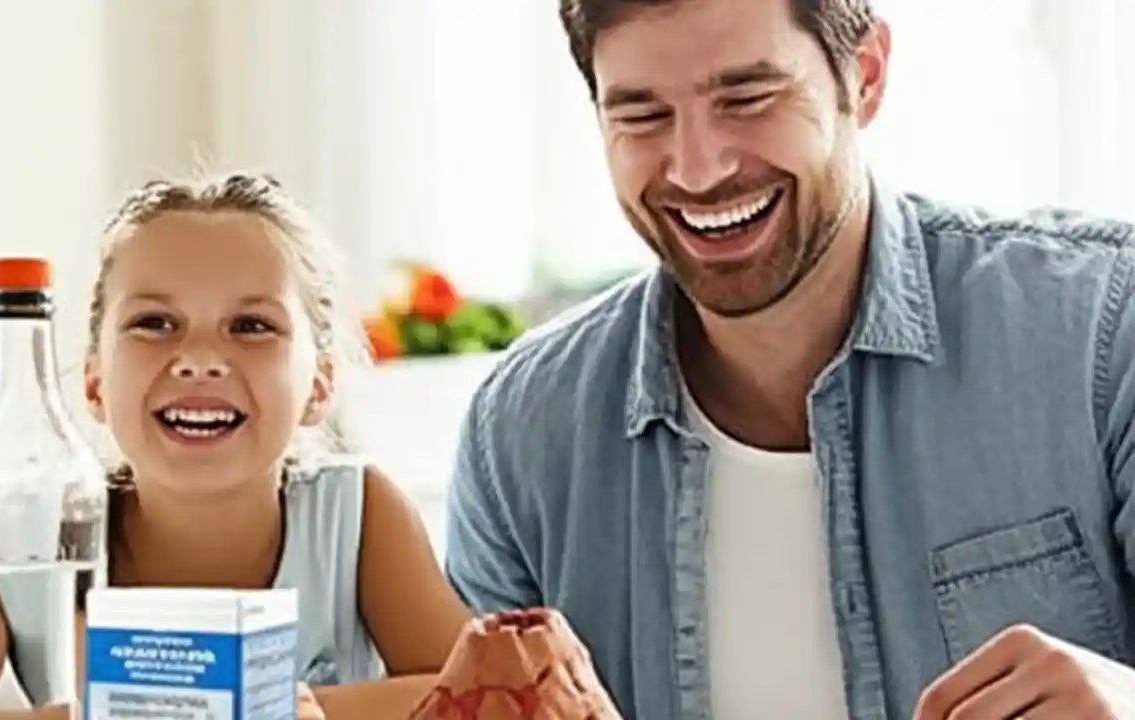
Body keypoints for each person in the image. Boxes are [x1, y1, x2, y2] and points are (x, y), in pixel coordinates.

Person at [444, 0, 1135, 717]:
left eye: (747, 98)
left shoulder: (1101, 336)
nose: (698, 169)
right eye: (642, 117)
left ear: (864, 77)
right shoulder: (519, 436)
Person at [0, 172, 472, 719]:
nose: (200, 361)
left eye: (251, 326)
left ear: (320, 385)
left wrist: (288, 710)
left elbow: (478, 691)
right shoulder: (49, 535)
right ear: (95, 384)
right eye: (155, 324)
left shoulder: (357, 516)